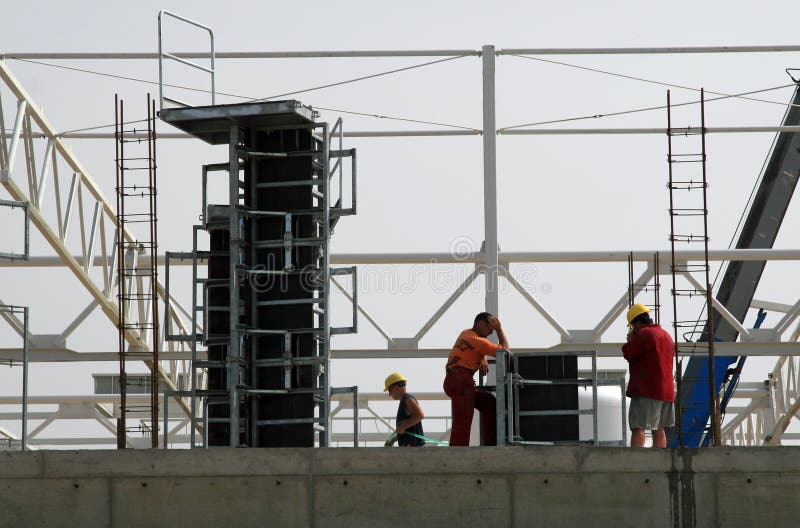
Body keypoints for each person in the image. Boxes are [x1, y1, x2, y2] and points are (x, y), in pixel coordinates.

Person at [443, 312, 510, 446]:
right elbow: (505, 351)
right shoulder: (478, 341)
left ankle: (491, 443)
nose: (491, 333)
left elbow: (472, 349)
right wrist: (499, 330)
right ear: (480, 324)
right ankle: (458, 452)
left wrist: (482, 359)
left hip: (455, 380)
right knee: (463, 420)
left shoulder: (465, 333)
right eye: (490, 328)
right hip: (462, 381)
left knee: (489, 403)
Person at [622, 303, 675, 448]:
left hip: (648, 389)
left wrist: (630, 341)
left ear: (637, 323)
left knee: (638, 426)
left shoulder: (644, 334)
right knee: (659, 426)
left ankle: (636, 461)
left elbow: (628, 353)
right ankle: (660, 462)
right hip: (667, 390)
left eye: (632, 326)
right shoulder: (666, 335)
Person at [383, 372, 426, 447]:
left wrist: (403, 427)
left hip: (413, 448)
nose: (390, 394)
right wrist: (392, 440)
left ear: (396, 387)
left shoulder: (407, 399)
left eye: (390, 390)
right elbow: (404, 430)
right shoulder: (404, 401)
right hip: (408, 448)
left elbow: (420, 415)